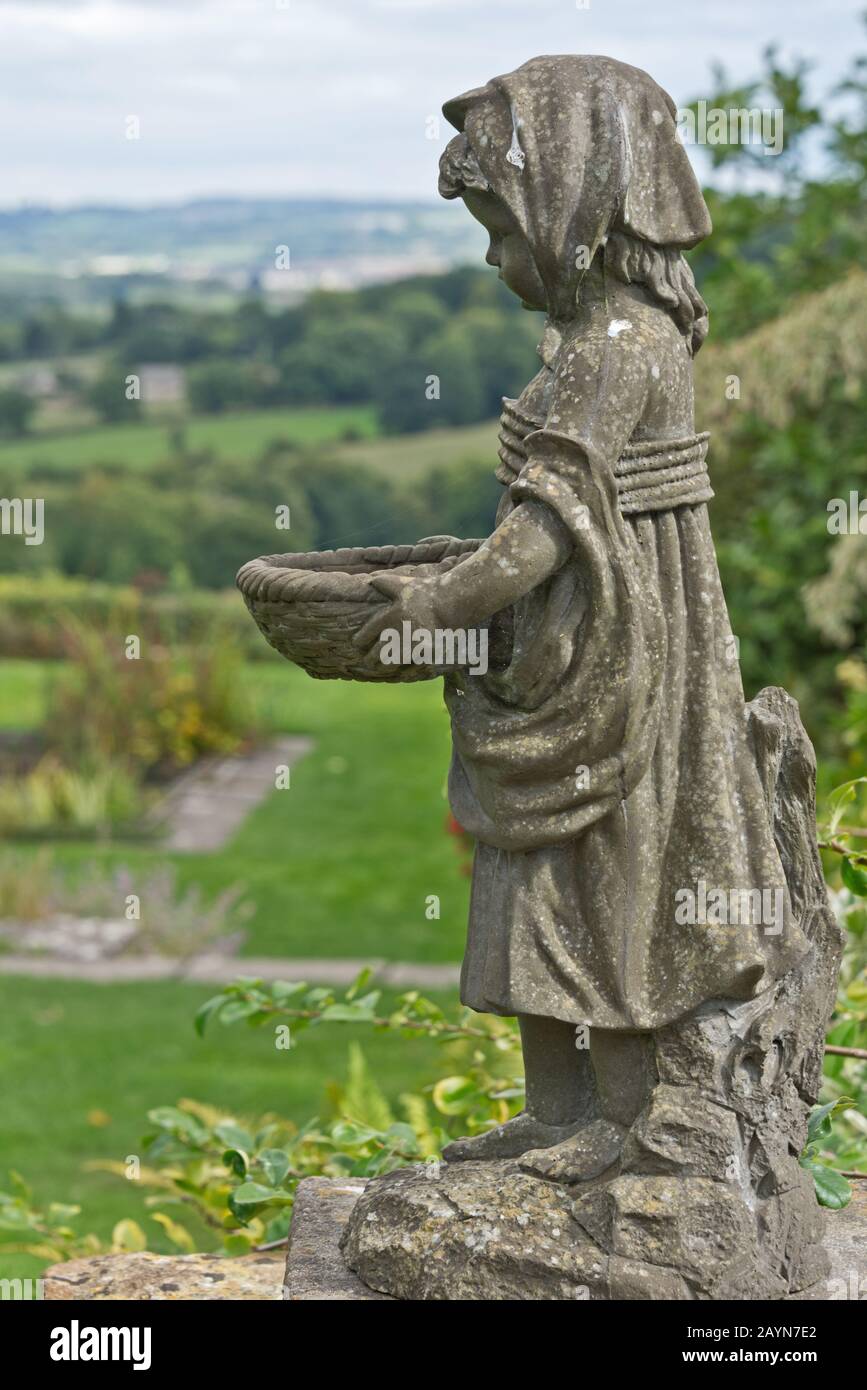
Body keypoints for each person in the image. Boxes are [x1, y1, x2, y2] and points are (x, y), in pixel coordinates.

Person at [355, 55, 809, 1178]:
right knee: (533, 880)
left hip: (622, 668)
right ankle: (558, 1115)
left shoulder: (621, 348)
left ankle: (622, 1121)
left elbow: (548, 524)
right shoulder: (602, 342)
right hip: (576, 652)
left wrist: (437, 602)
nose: (502, 263)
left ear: (577, 204)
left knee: (615, 880)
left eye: (506, 234)